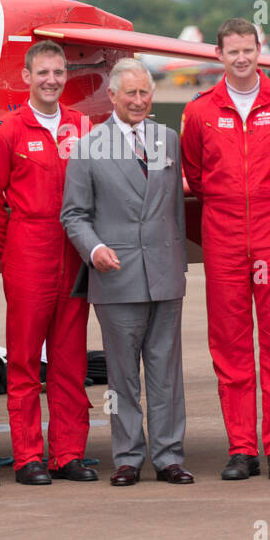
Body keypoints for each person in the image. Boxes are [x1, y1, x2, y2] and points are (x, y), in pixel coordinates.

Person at [180, 18, 270, 481]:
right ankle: (241, 447)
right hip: (223, 236)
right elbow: (195, 176)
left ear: (260, 52)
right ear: (218, 54)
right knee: (230, 345)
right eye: (232, 51)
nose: (241, 58)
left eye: (248, 50)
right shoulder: (199, 112)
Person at [61, 58, 192, 486]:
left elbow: (175, 211)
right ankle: (128, 456)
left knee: (166, 371)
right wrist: (94, 248)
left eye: (144, 93)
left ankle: (170, 455)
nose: (138, 101)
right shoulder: (89, 147)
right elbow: (74, 214)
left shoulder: (168, 140)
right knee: (121, 378)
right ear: (112, 96)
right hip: (116, 276)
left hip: (164, 275)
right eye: (130, 93)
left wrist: (174, 260)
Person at [0, 41, 95, 485]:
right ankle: (29, 455)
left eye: (58, 73)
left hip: (73, 251)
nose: (51, 80)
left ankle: (68, 454)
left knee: (70, 361)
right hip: (28, 250)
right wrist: (10, 247)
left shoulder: (82, 127)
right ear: (26, 78)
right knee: (26, 359)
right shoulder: (8, 131)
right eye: (43, 72)